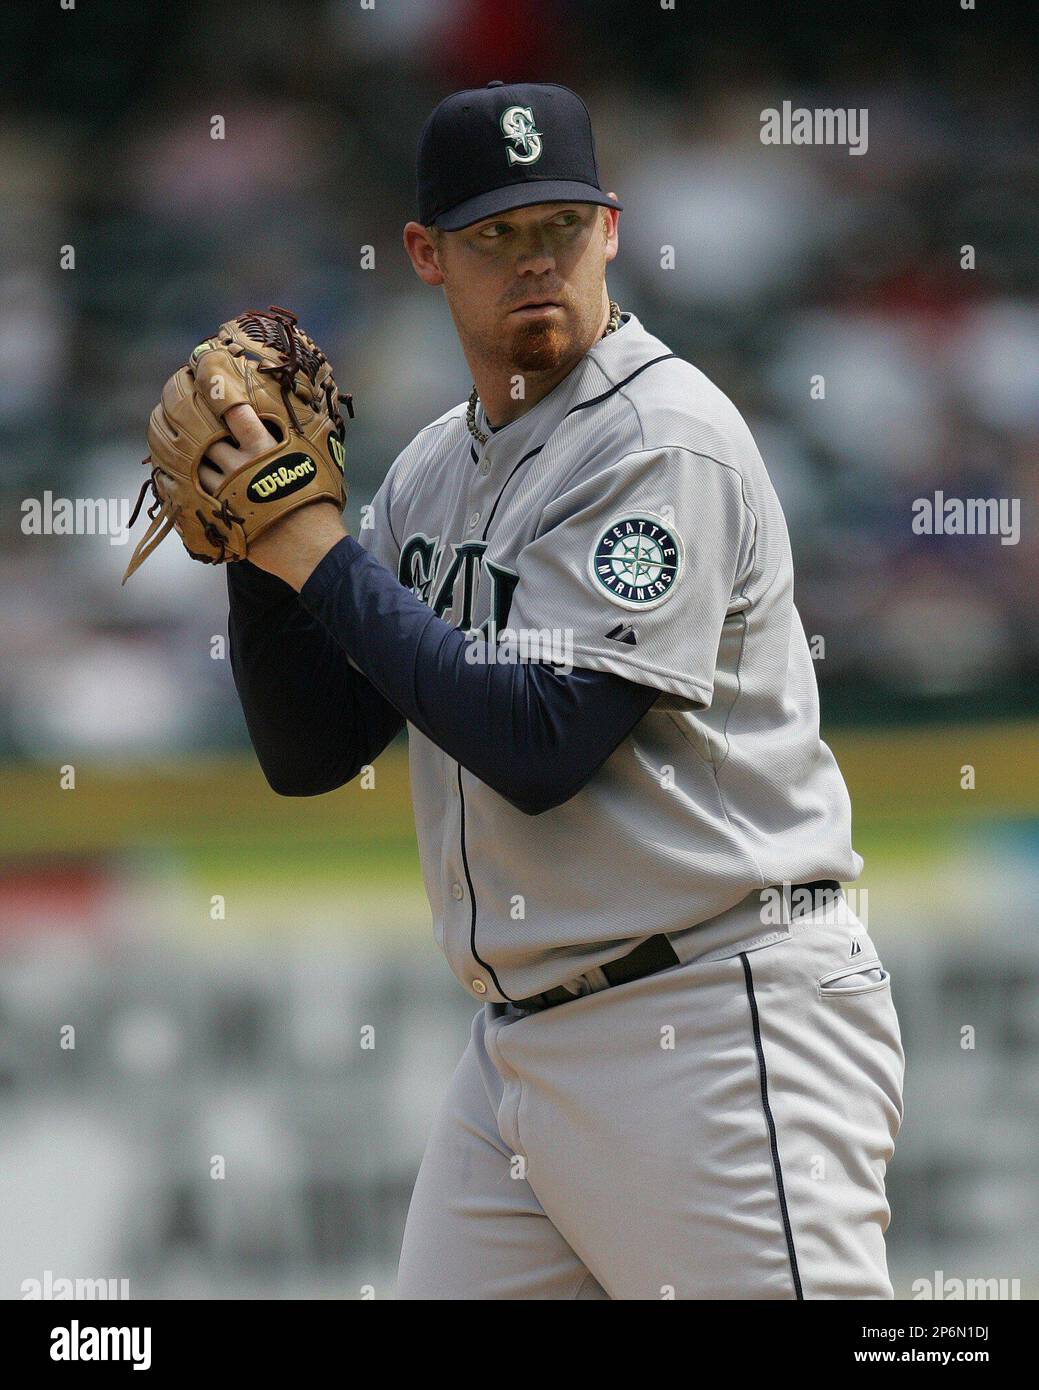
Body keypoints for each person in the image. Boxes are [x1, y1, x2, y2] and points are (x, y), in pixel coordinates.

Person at [213, 81, 904, 1300]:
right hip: (521, 1052)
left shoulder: (661, 437)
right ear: (427, 255)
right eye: (496, 237)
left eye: (560, 227)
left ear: (612, 230)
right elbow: (311, 752)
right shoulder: (434, 470)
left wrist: (316, 547)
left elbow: (541, 743)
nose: (536, 261)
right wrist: (262, 559)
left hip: (715, 1015)